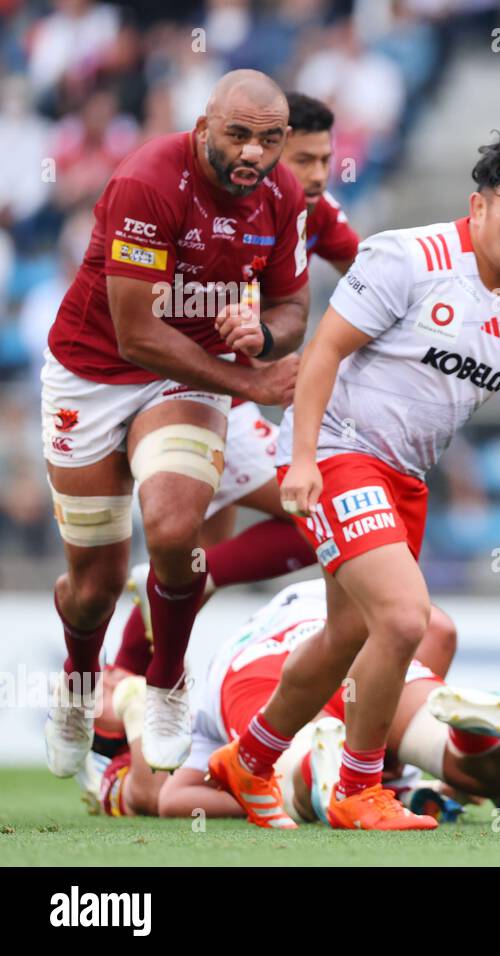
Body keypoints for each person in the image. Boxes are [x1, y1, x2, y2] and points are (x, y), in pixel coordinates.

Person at [208, 131, 500, 831]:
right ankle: (360, 788)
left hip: (404, 478)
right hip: (340, 450)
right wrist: (299, 460)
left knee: (347, 635)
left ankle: (249, 760)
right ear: (478, 206)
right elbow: (323, 352)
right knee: (406, 618)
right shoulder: (409, 259)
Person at [42, 70, 308, 777]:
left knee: (171, 525)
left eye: (271, 138)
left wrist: (265, 334)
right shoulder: (147, 182)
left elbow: (293, 305)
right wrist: (253, 380)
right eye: (239, 135)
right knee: (93, 584)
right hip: (93, 375)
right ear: (203, 127)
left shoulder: (283, 195)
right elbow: (137, 335)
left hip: (185, 378)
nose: (255, 152)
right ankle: (78, 681)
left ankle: (164, 681)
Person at [95, 581, 500, 825]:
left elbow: (175, 799)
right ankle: (465, 737)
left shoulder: (184, 726)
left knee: (297, 765)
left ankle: (314, 780)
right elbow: (440, 629)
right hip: (361, 642)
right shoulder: (353, 582)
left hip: (259, 661)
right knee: (491, 776)